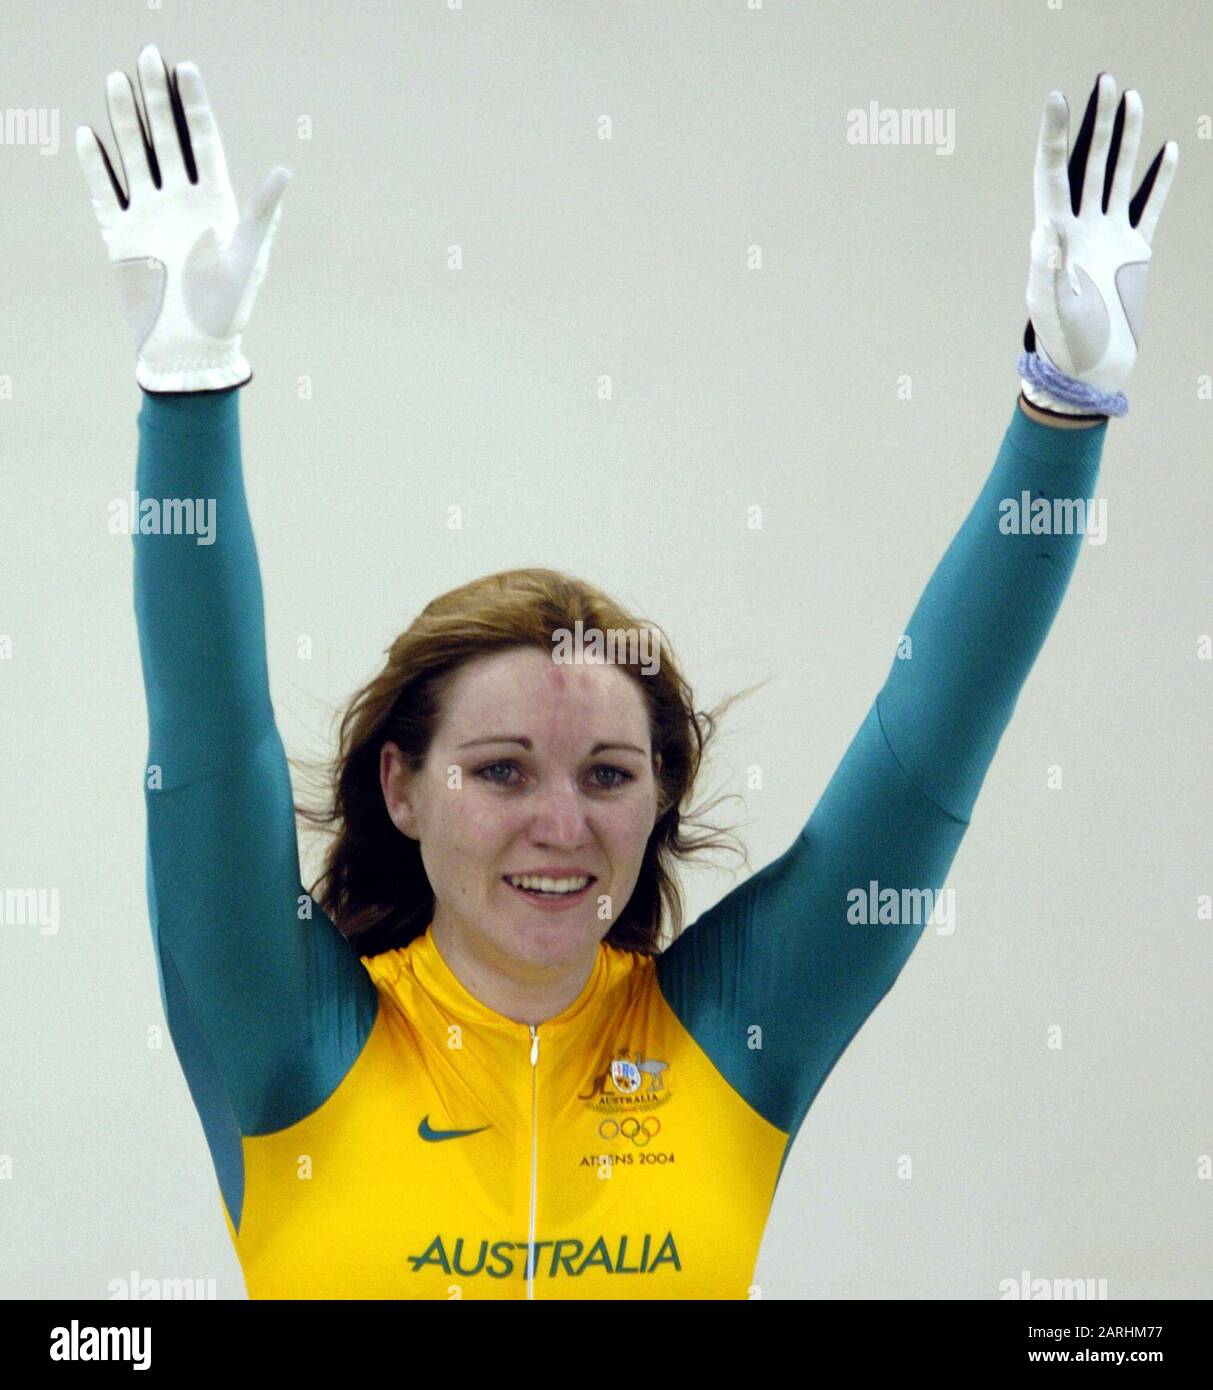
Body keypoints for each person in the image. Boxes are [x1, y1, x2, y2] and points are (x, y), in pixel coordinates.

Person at [76, 48, 1176, 1299]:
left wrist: (1063, 412)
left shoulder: (732, 1034)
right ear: (401, 787)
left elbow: (931, 748)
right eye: (500, 770)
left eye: (608, 772)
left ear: (656, 796)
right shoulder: (289, 1040)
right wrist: (186, 391)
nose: (563, 823)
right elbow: (211, 736)